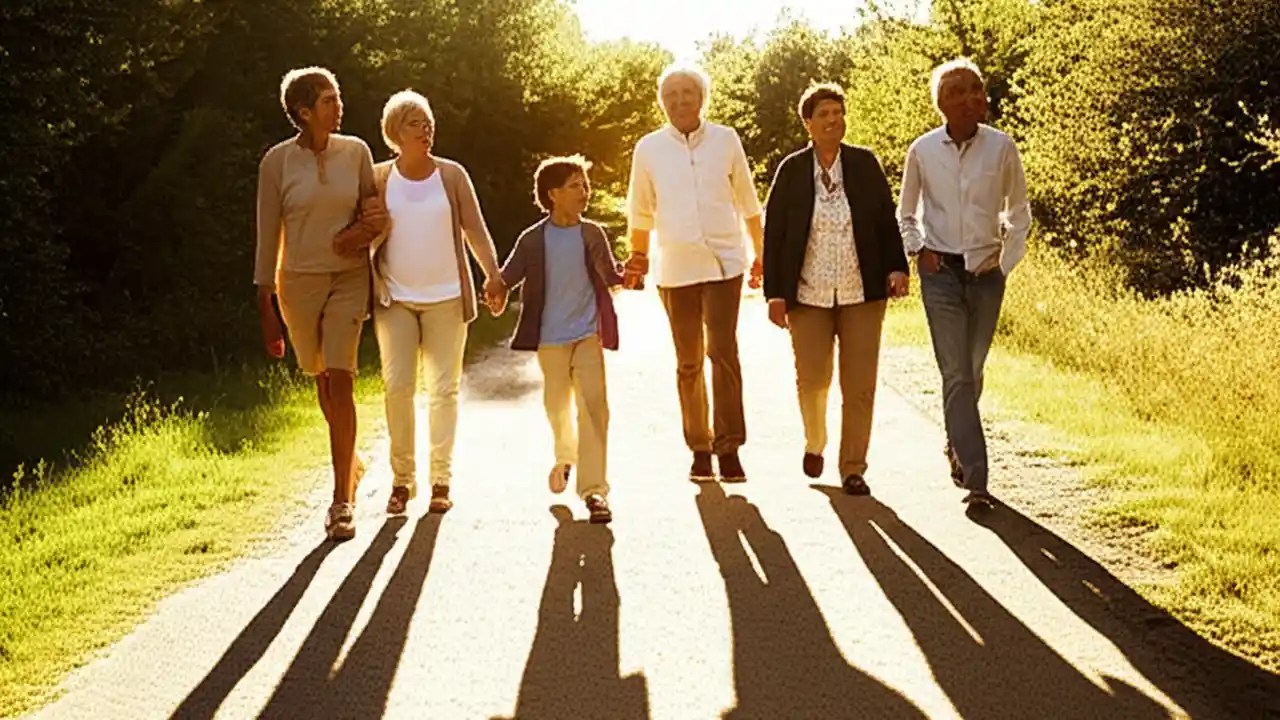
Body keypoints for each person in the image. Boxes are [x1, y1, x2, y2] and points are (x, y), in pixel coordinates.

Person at [255, 66, 384, 541]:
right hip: (298, 284)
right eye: (329, 100)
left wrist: (364, 230)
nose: (339, 105)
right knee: (321, 378)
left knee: (342, 376)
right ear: (304, 112)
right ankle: (352, 462)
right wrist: (265, 304)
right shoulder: (276, 162)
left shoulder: (357, 152)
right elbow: (268, 234)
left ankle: (341, 501)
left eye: (337, 97)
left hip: (348, 277)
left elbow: (373, 210)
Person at [762, 82, 910, 496]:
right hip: (808, 294)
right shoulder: (791, 171)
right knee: (812, 379)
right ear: (808, 123)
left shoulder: (864, 165)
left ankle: (853, 467)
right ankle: (815, 440)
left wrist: (897, 267)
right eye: (824, 114)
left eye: (838, 112)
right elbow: (774, 235)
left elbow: (885, 219)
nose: (833, 120)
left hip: (861, 290)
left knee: (859, 383)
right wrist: (776, 292)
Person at [896, 58, 1031, 508]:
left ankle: (957, 439)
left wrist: (1005, 261)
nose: (972, 97)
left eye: (977, 88)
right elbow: (907, 213)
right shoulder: (922, 150)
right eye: (960, 91)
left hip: (986, 275)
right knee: (955, 373)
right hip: (941, 275)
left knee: (971, 372)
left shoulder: (1002, 148)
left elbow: (1019, 212)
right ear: (942, 103)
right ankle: (977, 480)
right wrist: (920, 250)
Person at [622, 62, 764, 484]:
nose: (679, 102)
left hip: (724, 263)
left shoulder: (726, 140)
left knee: (722, 351)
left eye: (687, 93)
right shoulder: (648, 148)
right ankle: (699, 447)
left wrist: (762, 254)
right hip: (676, 267)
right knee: (688, 362)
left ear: (702, 98)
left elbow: (748, 201)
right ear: (662, 103)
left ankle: (730, 446)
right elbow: (640, 209)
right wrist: (638, 258)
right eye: (670, 96)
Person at [367, 89, 506, 516]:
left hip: (446, 297)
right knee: (398, 387)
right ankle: (401, 480)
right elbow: (359, 233)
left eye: (428, 122)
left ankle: (441, 479)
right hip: (395, 299)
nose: (425, 130)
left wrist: (493, 275)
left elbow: (475, 230)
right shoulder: (377, 178)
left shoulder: (451, 175)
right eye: (414, 123)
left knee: (443, 390)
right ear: (395, 133)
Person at [493, 155, 623, 524]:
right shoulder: (533, 239)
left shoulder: (591, 233)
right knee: (557, 405)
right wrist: (496, 289)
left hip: (586, 333)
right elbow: (509, 274)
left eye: (585, 184)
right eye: (575, 185)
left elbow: (610, 273)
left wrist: (626, 276)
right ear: (553, 195)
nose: (584, 191)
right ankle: (566, 456)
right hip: (550, 338)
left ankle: (594, 490)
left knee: (595, 405)